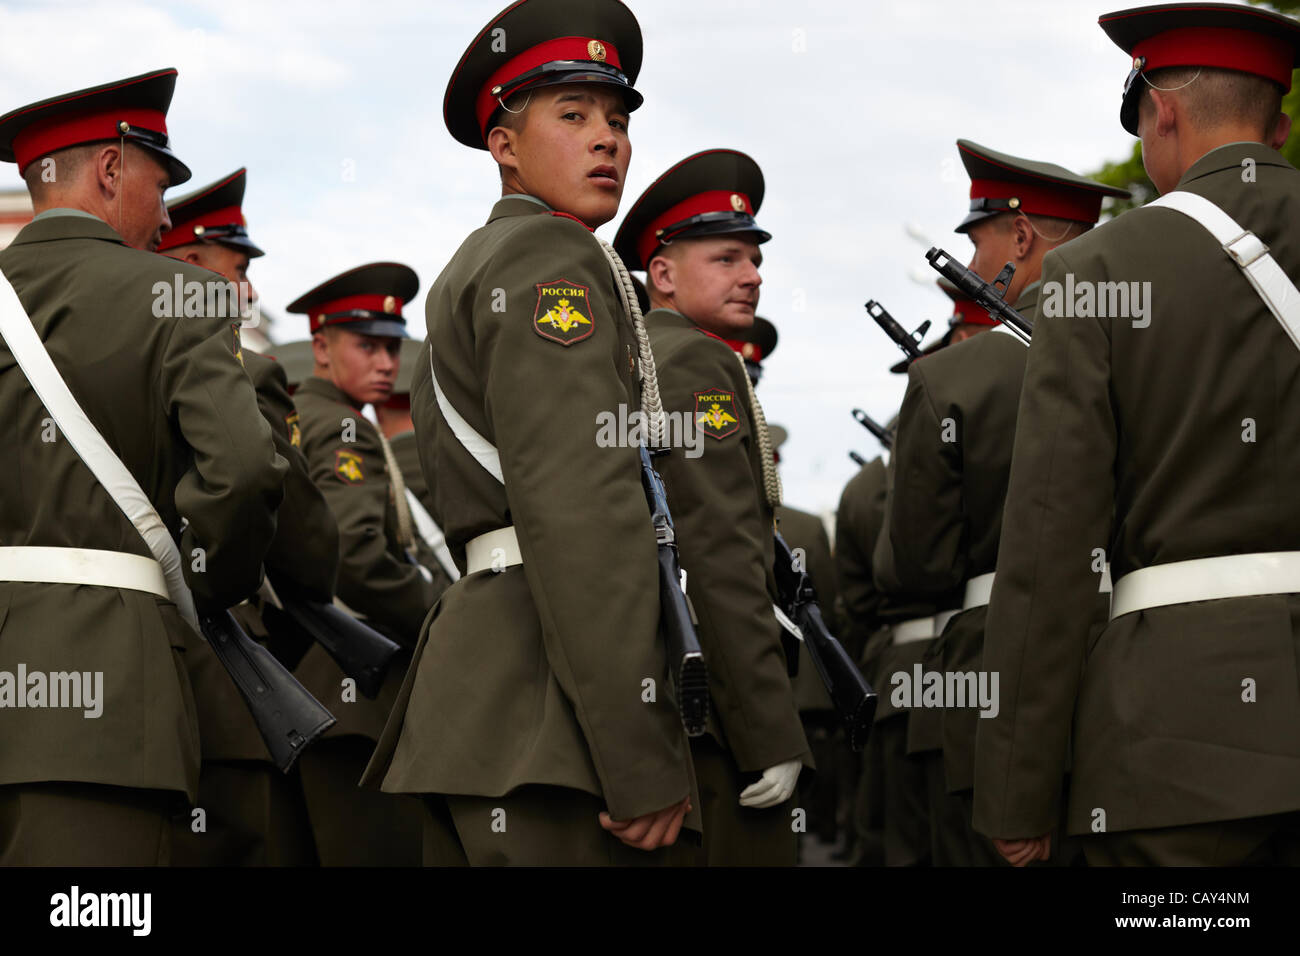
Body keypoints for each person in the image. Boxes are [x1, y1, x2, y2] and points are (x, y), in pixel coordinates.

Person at [362, 0, 699, 866]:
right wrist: (639, 754)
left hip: (492, 707)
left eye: (618, 119)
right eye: (574, 115)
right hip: (554, 722)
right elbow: (583, 514)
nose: (609, 140)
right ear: (504, 146)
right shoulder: (552, 259)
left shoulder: (482, 262)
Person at [975, 1, 1300, 867]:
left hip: (1175, 751)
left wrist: (1018, 786)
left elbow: (1049, 547)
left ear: (1162, 111)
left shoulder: (1097, 271)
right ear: (1283, 122)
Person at [0, 69, 286, 864]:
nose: (166, 216)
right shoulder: (184, 297)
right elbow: (242, 477)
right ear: (110, 170)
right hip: (103, 697)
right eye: (160, 187)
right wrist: (207, 587)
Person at [890, 144, 1126, 867]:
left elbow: (913, 566)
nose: (973, 253)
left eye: (979, 236)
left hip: (992, 662)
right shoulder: (1142, 344)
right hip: (1130, 652)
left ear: (1020, 238)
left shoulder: (952, 379)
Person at [614, 148, 811, 865]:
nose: (753, 275)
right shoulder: (698, 362)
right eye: (727, 258)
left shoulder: (641, 360)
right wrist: (771, 734)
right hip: (715, 713)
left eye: (754, 260)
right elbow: (721, 558)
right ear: (662, 273)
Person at [158, 168, 334, 865]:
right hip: (217, 672)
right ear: (191, 267)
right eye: (236, 270)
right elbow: (307, 547)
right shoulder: (240, 370)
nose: (252, 292)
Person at [286, 261, 439, 866]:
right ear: (321, 347)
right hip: (356, 688)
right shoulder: (343, 426)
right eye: (368, 346)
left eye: (391, 348)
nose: (386, 363)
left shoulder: (314, 416)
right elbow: (359, 556)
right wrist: (443, 617)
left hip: (330, 679)